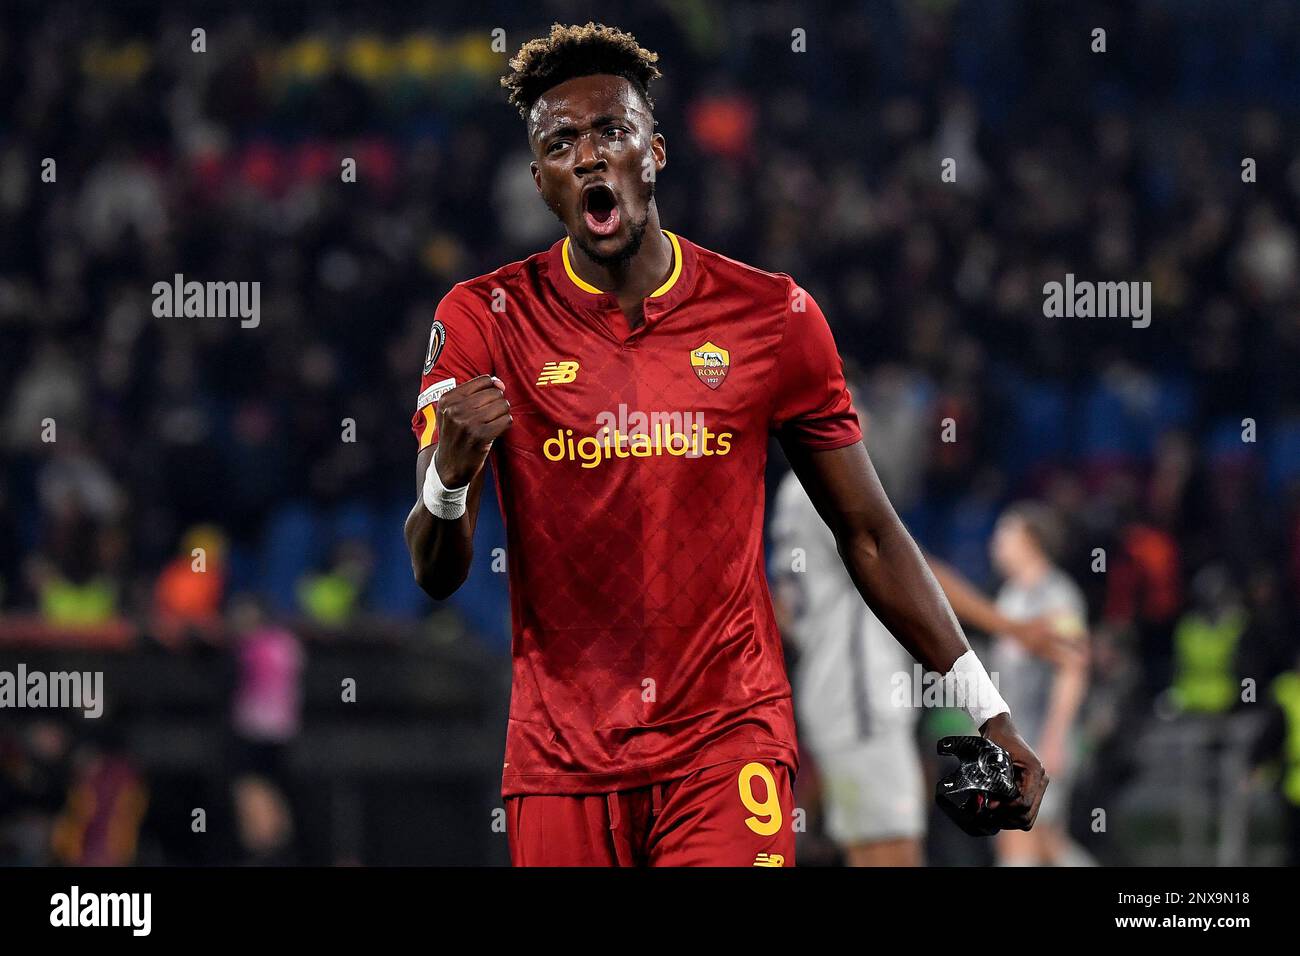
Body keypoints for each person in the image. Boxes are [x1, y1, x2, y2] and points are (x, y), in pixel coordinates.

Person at [404, 22, 1046, 866]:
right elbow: (436, 570)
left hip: (726, 743)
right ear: (542, 182)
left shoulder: (771, 318)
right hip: (561, 760)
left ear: (656, 152)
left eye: (612, 132)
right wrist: (450, 480)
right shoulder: (483, 321)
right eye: (562, 143)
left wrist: (988, 710)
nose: (590, 156)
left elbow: (869, 531)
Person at [772, 461, 1075, 867]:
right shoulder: (826, 477)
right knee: (896, 856)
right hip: (861, 701)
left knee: (869, 853)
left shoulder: (788, 495)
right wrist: (1010, 628)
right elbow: (902, 563)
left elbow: (783, 607)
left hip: (833, 693)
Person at [987, 502, 1092, 866]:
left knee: (1027, 835)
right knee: (1034, 838)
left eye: (1006, 533)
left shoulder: (1058, 596)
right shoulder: (1010, 595)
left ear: (1031, 541)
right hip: (1015, 738)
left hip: (1042, 736)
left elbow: (1073, 669)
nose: (995, 542)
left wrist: (1055, 738)